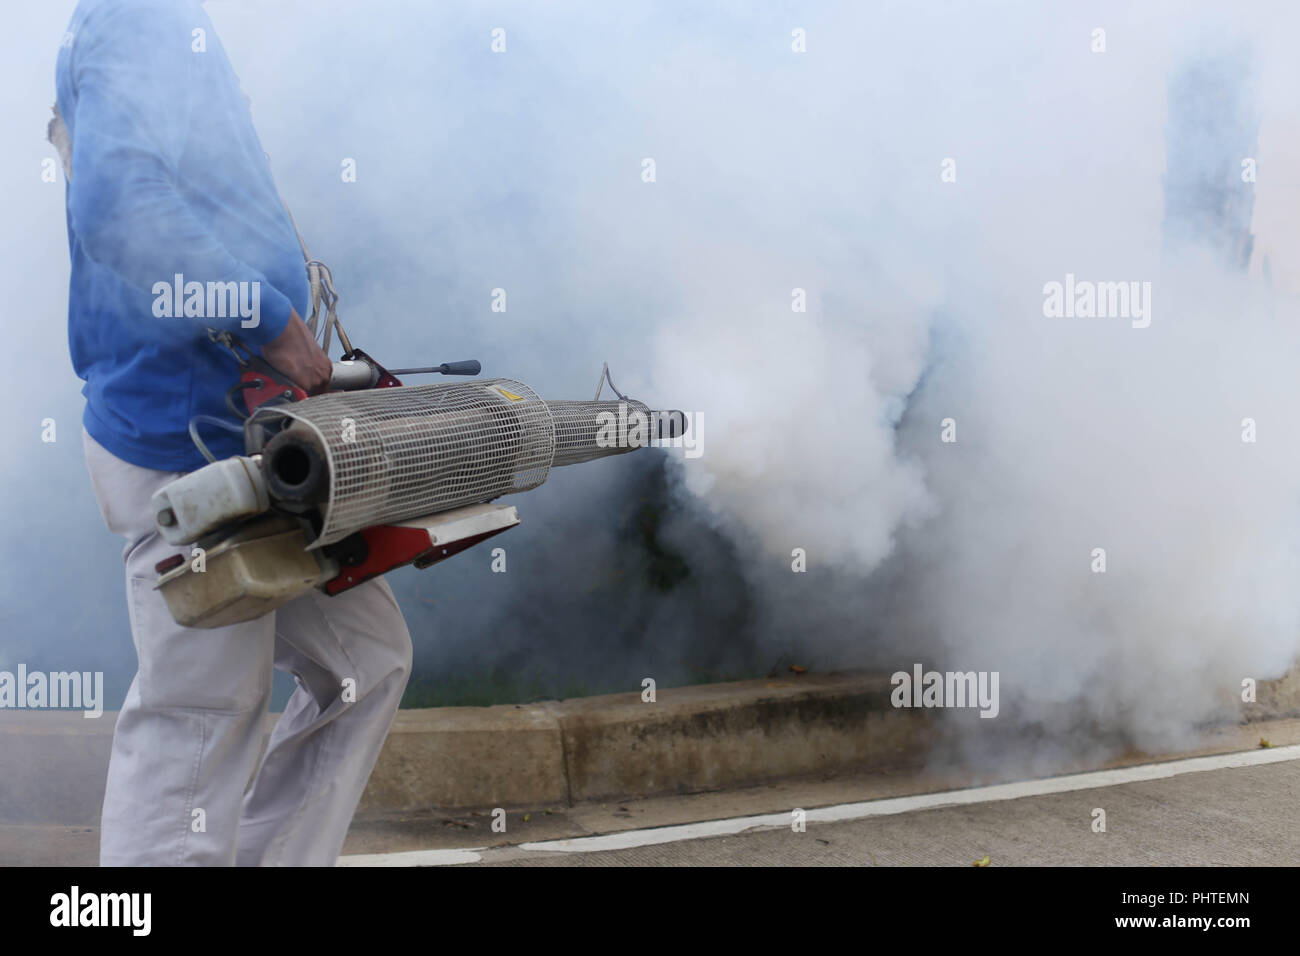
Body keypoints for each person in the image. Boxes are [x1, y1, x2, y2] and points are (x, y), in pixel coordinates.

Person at [54, 0, 412, 865]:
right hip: (188, 444)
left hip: (237, 430)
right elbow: (116, 206)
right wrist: (264, 315)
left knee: (367, 661)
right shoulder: (136, 14)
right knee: (198, 723)